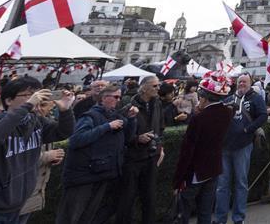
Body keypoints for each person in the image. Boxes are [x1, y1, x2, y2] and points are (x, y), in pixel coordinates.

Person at [0, 77, 76, 223]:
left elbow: (63, 132)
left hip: (17, 204)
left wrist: (65, 110)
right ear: (8, 100)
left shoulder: (35, 122)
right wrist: (27, 106)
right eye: (29, 94)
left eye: (38, 93)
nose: (36, 98)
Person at [58, 84, 138, 224]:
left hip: (102, 173)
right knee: (71, 217)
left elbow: (128, 139)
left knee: (88, 216)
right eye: (115, 97)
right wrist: (106, 127)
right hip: (83, 176)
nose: (118, 100)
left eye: (119, 97)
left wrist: (131, 119)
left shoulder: (115, 115)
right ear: (103, 98)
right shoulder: (90, 116)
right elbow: (76, 140)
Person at [174, 72, 235, 224]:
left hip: (196, 172)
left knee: (183, 212)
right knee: (205, 212)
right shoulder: (227, 113)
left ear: (205, 98)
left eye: (200, 96)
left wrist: (178, 179)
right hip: (213, 168)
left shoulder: (199, 118)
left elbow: (187, 151)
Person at [215, 74, 267, 224]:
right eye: (239, 82)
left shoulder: (256, 98)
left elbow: (263, 116)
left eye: (245, 82)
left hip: (243, 146)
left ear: (250, 83)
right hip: (225, 147)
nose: (242, 84)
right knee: (222, 186)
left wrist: (248, 129)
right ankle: (220, 219)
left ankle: (238, 219)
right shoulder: (229, 98)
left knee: (241, 184)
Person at [117, 75, 164, 224]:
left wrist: (160, 148)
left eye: (158, 85)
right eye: (154, 86)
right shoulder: (129, 105)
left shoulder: (157, 103)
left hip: (151, 156)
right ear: (143, 88)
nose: (158, 89)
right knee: (127, 197)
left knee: (149, 197)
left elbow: (161, 128)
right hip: (133, 157)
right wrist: (137, 138)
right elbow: (121, 133)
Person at [18, 97, 66, 224]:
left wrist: (53, 158)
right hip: (19, 193)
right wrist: (46, 157)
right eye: (37, 104)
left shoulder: (46, 124)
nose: (39, 109)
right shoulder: (20, 125)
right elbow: (16, 159)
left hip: (35, 189)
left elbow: (66, 131)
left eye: (44, 105)